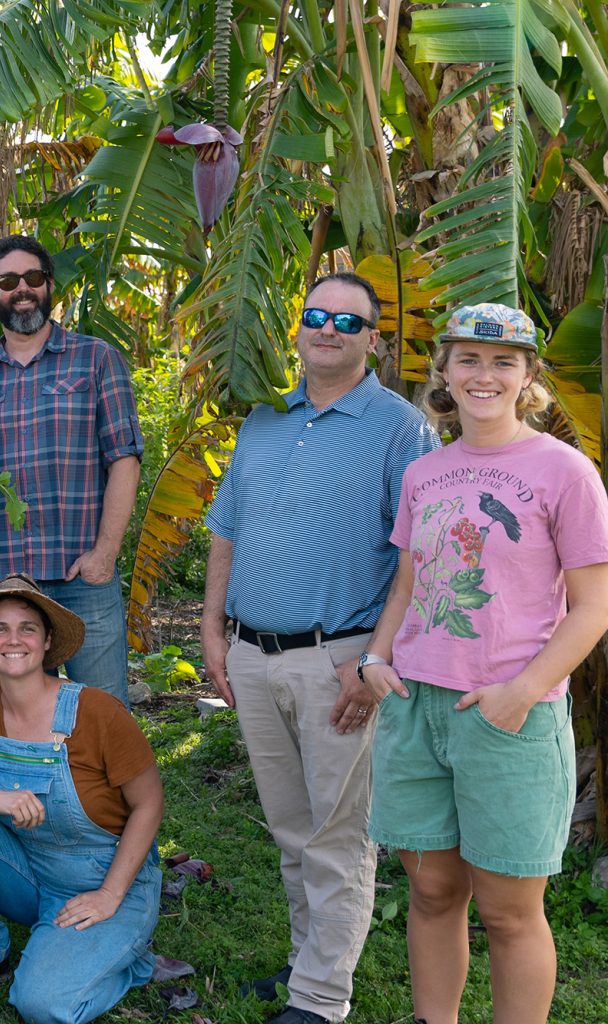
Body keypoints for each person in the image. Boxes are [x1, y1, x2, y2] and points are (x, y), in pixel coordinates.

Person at [357, 304, 608, 1024]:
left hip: (508, 716)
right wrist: (377, 657)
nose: (484, 374)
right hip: (415, 708)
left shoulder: (565, 471)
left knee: (508, 913)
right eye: (468, 359)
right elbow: (408, 584)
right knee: (433, 893)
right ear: (444, 371)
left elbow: (593, 605)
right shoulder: (425, 473)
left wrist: (521, 692)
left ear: (529, 375)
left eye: (503, 361)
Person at [201, 272, 440, 1024]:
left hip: (337, 660)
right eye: (314, 314)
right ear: (297, 329)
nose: (327, 328)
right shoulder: (265, 421)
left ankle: (321, 998)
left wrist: (378, 657)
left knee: (337, 835)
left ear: (374, 338)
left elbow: (420, 554)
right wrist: (212, 631)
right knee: (290, 827)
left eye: (348, 319)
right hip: (251, 653)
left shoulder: (401, 429)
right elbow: (225, 531)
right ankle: (310, 965)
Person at [0, 575, 162, 1024]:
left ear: (46, 643)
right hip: (28, 870)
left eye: (27, 628)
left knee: (40, 1006)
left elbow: (149, 805)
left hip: (103, 877)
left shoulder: (97, 711)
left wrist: (109, 894)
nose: (13, 639)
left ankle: (131, 958)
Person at [0, 235, 143, 705]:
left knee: (103, 713)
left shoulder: (96, 359)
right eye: (8, 280)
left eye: (33, 278)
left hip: (83, 579)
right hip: (8, 585)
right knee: (27, 717)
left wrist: (104, 554)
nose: (22, 289)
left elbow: (124, 459)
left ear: (49, 285)